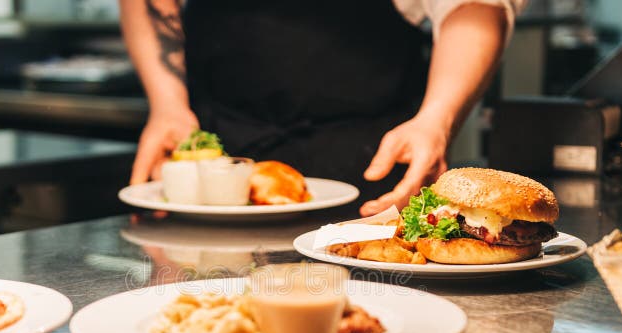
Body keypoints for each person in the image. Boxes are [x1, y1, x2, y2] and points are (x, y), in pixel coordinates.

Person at [120, 0, 525, 216]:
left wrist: (437, 118)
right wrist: (167, 104)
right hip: (219, 158)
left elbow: (476, 5)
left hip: (370, 164)